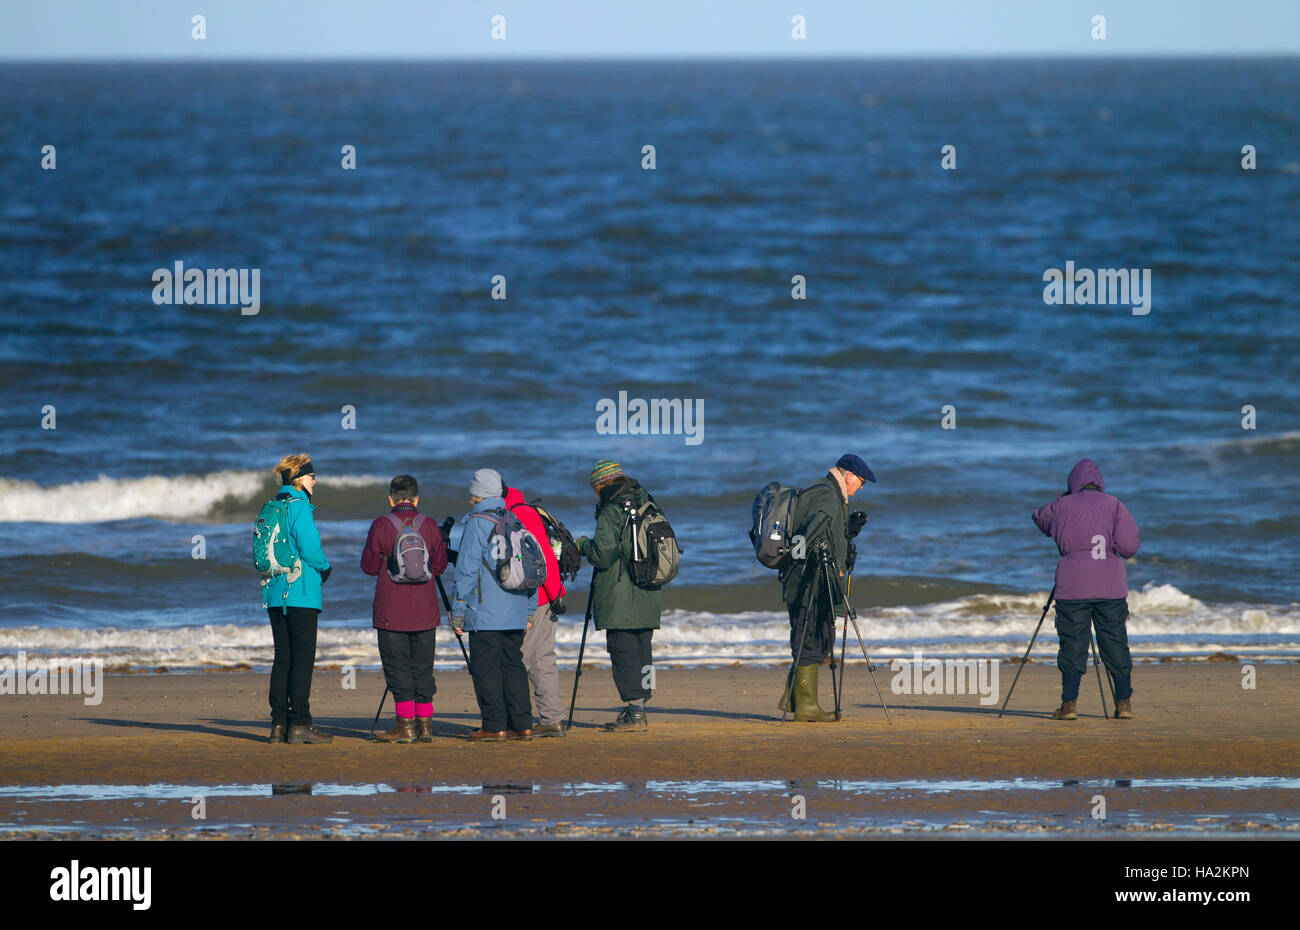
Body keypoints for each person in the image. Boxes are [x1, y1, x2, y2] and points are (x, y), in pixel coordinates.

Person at [1033, 459, 1140, 720]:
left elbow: (1039, 517)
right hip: (1109, 586)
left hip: (1073, 586)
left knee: (1072, 644)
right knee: (1115, 642)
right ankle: (1123, 703)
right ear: (1099, 483)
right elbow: (1129, 548)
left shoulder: (1061, 505)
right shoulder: (1114, 504)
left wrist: (1065, 498)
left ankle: (1069, 705)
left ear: (1073, 483)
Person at [778, 454, 875, 722]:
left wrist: (848, 532)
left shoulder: (830, 495)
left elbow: (823, 533)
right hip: (809, 582)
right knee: (810, 639)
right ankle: (806, 708)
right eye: (861, 482)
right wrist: (825, 563)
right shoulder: (827, 497)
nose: (861, 488)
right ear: (848, 476)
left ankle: (794, 698)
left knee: (819, 638)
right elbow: (806, 539)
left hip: (811, 580)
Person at [448, 468, 536, 741]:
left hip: (485, 613)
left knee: (485, 668)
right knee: (513, 665)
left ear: (478, 493)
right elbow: (533, 566)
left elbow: (466, 570)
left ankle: (494, 725)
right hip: (516, 609)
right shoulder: (515, 519)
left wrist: (458, 611)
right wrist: (529, 609)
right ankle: (522, 724)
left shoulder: (476, 522)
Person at [360, 475, 449, 743]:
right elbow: (440, 567)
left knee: (397, 668)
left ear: (391, 499)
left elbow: (369, 567)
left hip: (391, 611)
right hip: (425, 610)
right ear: (416, 499)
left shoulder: (380, 525)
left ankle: (405, 726)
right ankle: (425, 726)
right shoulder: (430, 525)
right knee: (423, 668)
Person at [575, 460, 662, 732]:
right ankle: (641, 707)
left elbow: (603, 554)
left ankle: (635, 714)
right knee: (643, 651)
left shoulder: (612, 509)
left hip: (619, 593)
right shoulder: (646, 501)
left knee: (623, 652)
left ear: (602, 484)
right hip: (648, 589)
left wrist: (582, 545)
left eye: (594, 487)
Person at [262, 453, 333, 744]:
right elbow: (310, 547)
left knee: (283, 659)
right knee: (302, 660)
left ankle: (279, 725)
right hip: (301, 593)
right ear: (299, 479)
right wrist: (326, 567)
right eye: (311, 476)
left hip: (274, 593)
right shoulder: (300, 506)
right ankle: (301, 723)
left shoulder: (270, 505)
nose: (315, 480)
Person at [503, 484, 569, 737]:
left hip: (540, 597)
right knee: (540, 658)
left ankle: (551, 719)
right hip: (541, 596)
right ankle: (551, 718)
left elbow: (545, 559)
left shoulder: (521, 514)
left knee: (535, 659)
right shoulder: (522, 511)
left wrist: (555, 594)